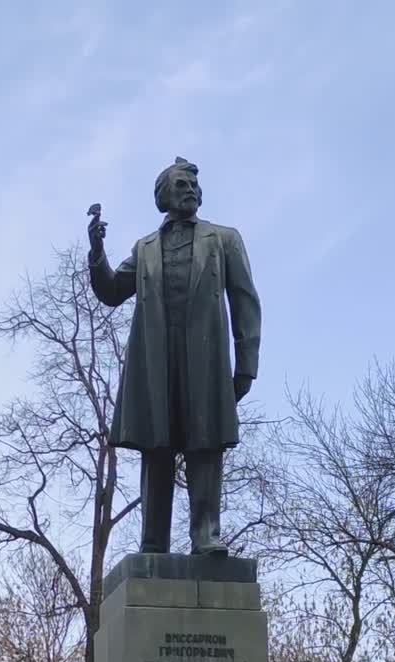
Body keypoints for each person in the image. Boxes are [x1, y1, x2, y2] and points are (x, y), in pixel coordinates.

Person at [88, 157, 261, 556]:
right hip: (156, 359)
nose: (191, 191)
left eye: (194, 186)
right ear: (162, 196)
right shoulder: (145, 249)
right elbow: (113, 291)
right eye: (181, 185)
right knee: (157, 447)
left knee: (206, 444)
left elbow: (245, 300)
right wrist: (97, 251)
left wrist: (246, 364)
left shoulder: (224, 239)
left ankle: (206, 536)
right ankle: (153, 541)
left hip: (206, 358)